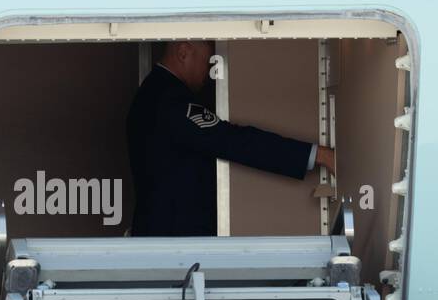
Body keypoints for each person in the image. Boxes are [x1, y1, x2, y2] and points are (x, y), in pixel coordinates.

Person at [126, 40, 335, 236]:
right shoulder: (170, 100)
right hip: (174, 239)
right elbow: (234, 141)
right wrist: (317, 155)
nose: (208, 73)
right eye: (206, 61)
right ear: (183, 52)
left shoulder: (154, 92)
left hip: (162, 235)